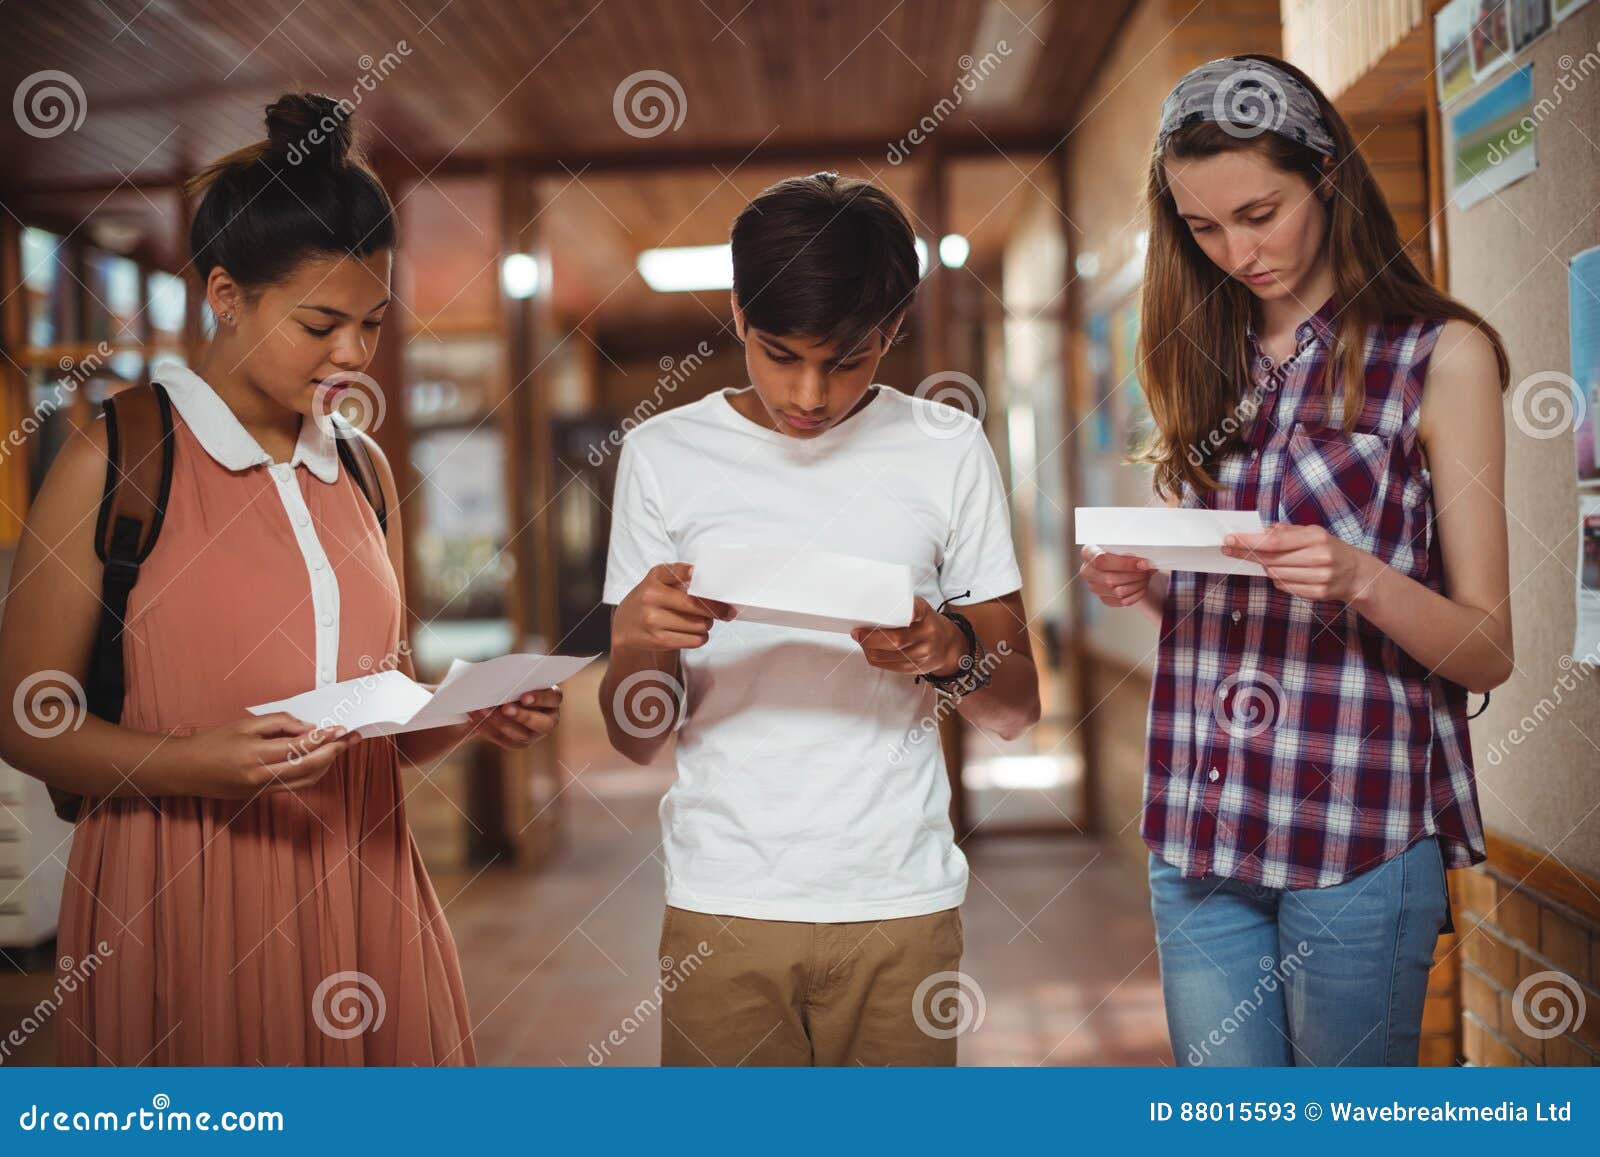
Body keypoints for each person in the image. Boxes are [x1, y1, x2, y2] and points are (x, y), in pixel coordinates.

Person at [0, 93, 561, 1065]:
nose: (352, 353)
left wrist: (467, 711)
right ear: (224, 294)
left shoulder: (363, 470)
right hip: (178, 891)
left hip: (367, 887)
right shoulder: (122, 453)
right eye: (320, 323)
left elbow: (373, 727)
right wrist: (195, 764)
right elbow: (23, 718)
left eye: (373, 323)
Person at [1080, 54, 1512, 1066]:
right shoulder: (1199, 358)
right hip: (1197, 831)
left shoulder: (1434, 358)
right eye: (1202, 227)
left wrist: (1360, 575)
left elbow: (1486, 648)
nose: (1236, 250)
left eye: (1259, 212)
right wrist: (1157, 591)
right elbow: (1235, 610)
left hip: (1355, 843)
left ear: (1326, 176)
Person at [599, 173, 1040, 1066]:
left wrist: (946, 648)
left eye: (846, 360)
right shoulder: (661, 456)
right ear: (736, 312)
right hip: (726, 903)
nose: (808, 394)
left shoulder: (945, 449)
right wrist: (642, 641)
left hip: (899, 903)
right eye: (779, 354)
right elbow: (632, 737)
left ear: (894, 330)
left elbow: (1018, 705)